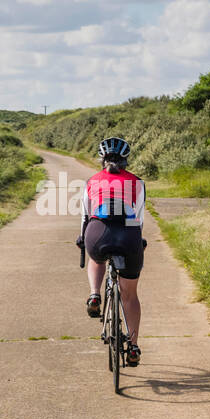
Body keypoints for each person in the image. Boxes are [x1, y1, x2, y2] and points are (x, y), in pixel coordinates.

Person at [77, 136, 146, 366]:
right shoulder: (137, 182)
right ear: (126, 160)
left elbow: (86, 217)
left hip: (98, 233)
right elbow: (139, 218)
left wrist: (82, 239)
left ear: (101, 159)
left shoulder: (91, 181)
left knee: (96, 257)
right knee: (130, 295)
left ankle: (95, 293)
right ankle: (133, 346)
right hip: (129, 236)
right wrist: (138, 241)